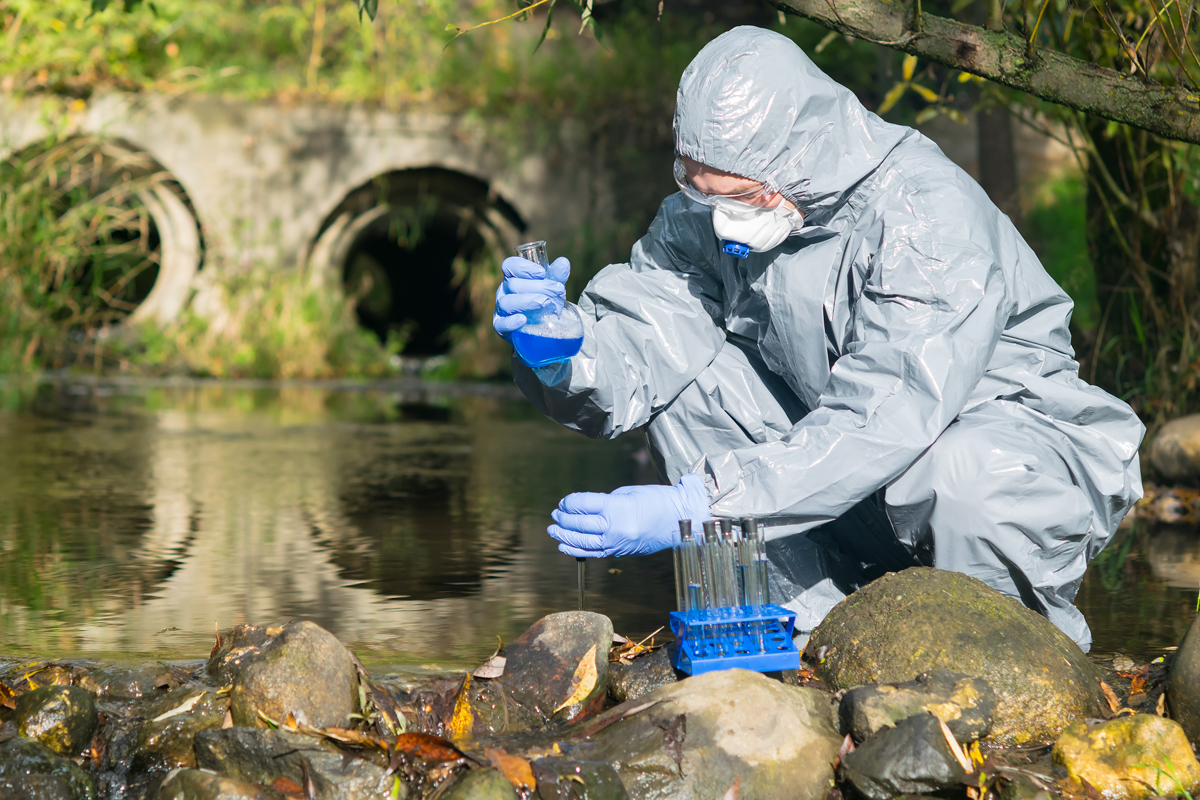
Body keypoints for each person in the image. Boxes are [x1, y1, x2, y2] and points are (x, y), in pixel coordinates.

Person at [492, 26, 1143, 651]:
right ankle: (797, 640)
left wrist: (701, 505)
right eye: (697, 185)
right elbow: (647, 340)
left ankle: (1013, 666)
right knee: (693, 378)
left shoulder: (923, 214)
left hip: (997, 465)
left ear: (798, 156)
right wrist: (567, 353)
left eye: (739, 194)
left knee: (969, 470)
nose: (719, 218)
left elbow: (885, 416)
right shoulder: (704, 215)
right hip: (845, 482)